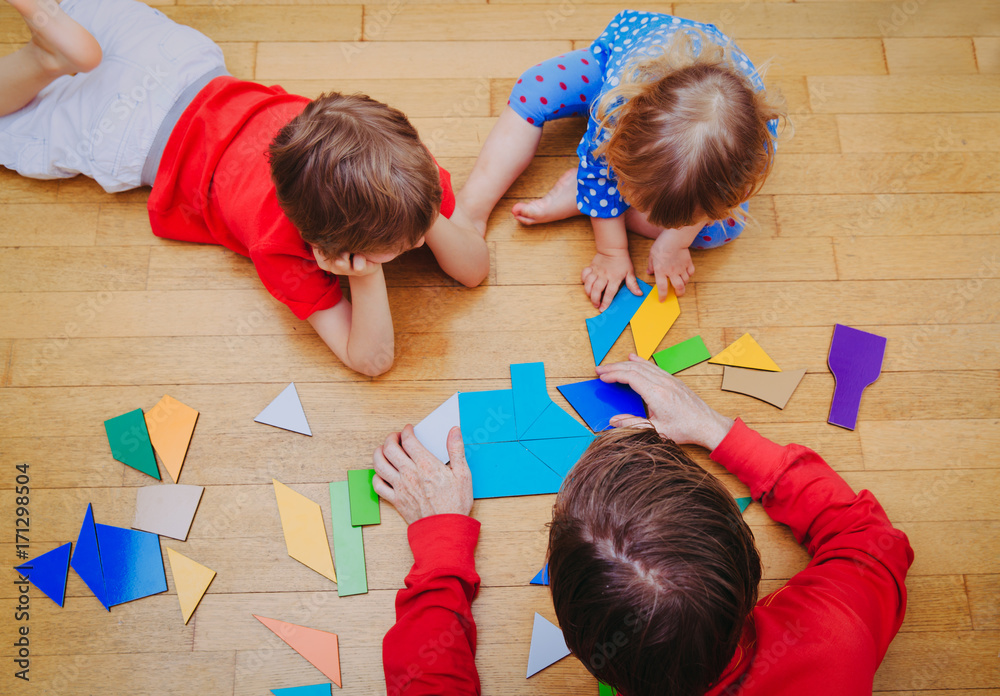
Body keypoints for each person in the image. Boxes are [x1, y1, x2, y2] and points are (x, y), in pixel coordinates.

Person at [0, 0, 490, 377]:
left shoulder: (402, 171)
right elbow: (372, 361)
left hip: (178, 62)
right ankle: (45, 57)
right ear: (329, 247)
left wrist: (427, 214)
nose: (420, 241)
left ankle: (57, 32)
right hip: (126, 132)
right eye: (405, 241)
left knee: (89, 15)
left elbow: (474, 270)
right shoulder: (278, 244)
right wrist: (364, 276)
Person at [374, 355, 913, 695]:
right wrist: (716, 430)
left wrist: (440, 550)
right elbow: (871, 540)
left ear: (584, 645)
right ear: (747, 560)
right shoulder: (835, 639)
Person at [454, 10, 785, 309]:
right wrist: (611, 251)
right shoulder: (613, 112)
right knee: (534, 87)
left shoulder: (754, 154)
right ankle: (471, 206)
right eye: (630, 193)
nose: (652, 218)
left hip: (687, 128)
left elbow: (714, 204)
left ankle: (583, 199)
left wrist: (674, 243)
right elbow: (600, 170)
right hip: (615, 61)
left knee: (727, 228)